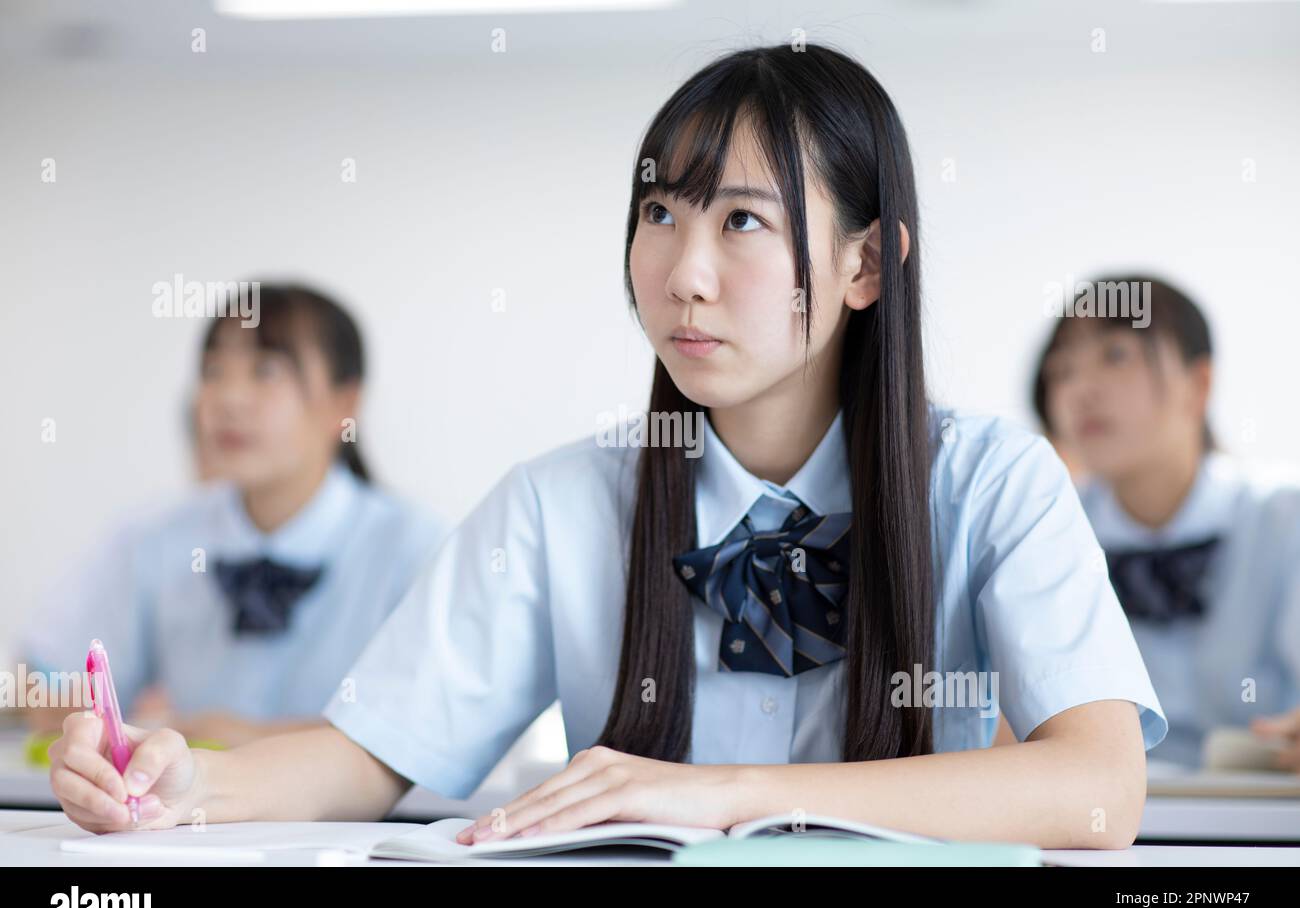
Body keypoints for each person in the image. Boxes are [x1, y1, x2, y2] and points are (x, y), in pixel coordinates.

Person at [50, 45, 1164, 848]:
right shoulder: (557, 504)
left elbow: (1101, 790)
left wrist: (722, 794)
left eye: (741, 220)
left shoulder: (990, 481)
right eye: (660, 214)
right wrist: (181, 781)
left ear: (866, 264)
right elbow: (363, 757)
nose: (682, 273)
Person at [22, 284, 445, 747]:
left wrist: (247, 740)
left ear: (344, 404)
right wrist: (105, 721)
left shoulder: (414, 549)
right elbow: (48, 681)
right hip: (174, 795)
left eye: (265, 371)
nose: (229, 399)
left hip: (352, 803)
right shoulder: (154, 538)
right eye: (213, 371)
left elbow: (431, 726)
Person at [1032, 276, 1300, 769]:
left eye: (1116, 355)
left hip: (1270, 808)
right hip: (1098, 811)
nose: (1080, 390)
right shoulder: (1042, 533)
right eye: (1062, 371)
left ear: (1198, 384)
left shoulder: (1283, 522)